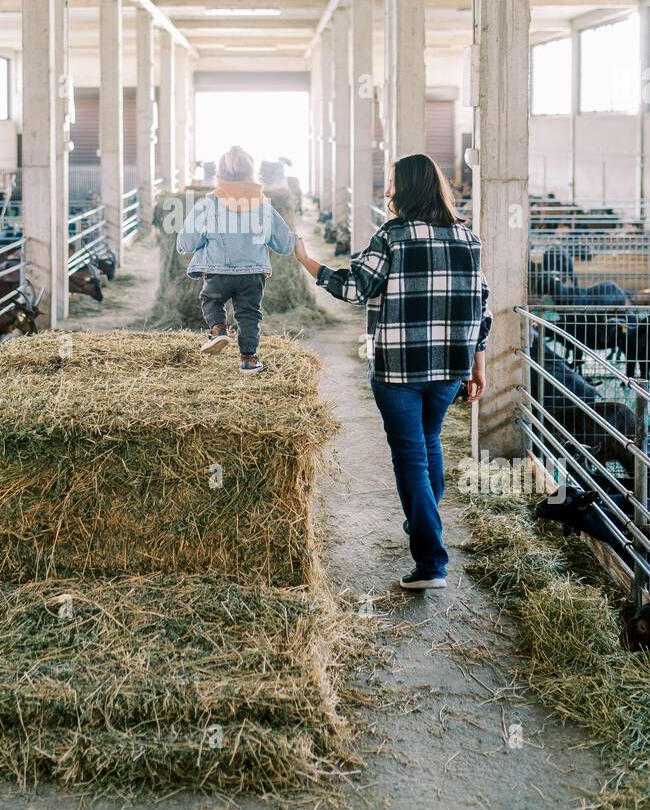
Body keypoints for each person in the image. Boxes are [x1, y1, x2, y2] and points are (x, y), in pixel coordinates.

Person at [295, 153, 491, 591]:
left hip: (399, 367)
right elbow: (481, 305)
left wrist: (308, 262)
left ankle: (430, 563)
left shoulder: (394, 236)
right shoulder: (467, 238)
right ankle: (425, 522)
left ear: (406, 189)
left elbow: (354, 287)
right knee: (429, 442)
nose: (386, 192)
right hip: (448, 366)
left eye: (391, 183)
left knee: (409, 456)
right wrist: (477, 365)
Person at [176, 145, 296, 374]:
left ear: (218, 175)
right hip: (252, 275)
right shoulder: (263, 205)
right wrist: (296, 243)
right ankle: (248, 360)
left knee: (211, 299)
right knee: (249, 314)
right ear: (252, 175)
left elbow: (189, 240)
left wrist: (183, 244)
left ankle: (218, 330)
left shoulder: (208, 204)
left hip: (217, 271)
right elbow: (283, 242)